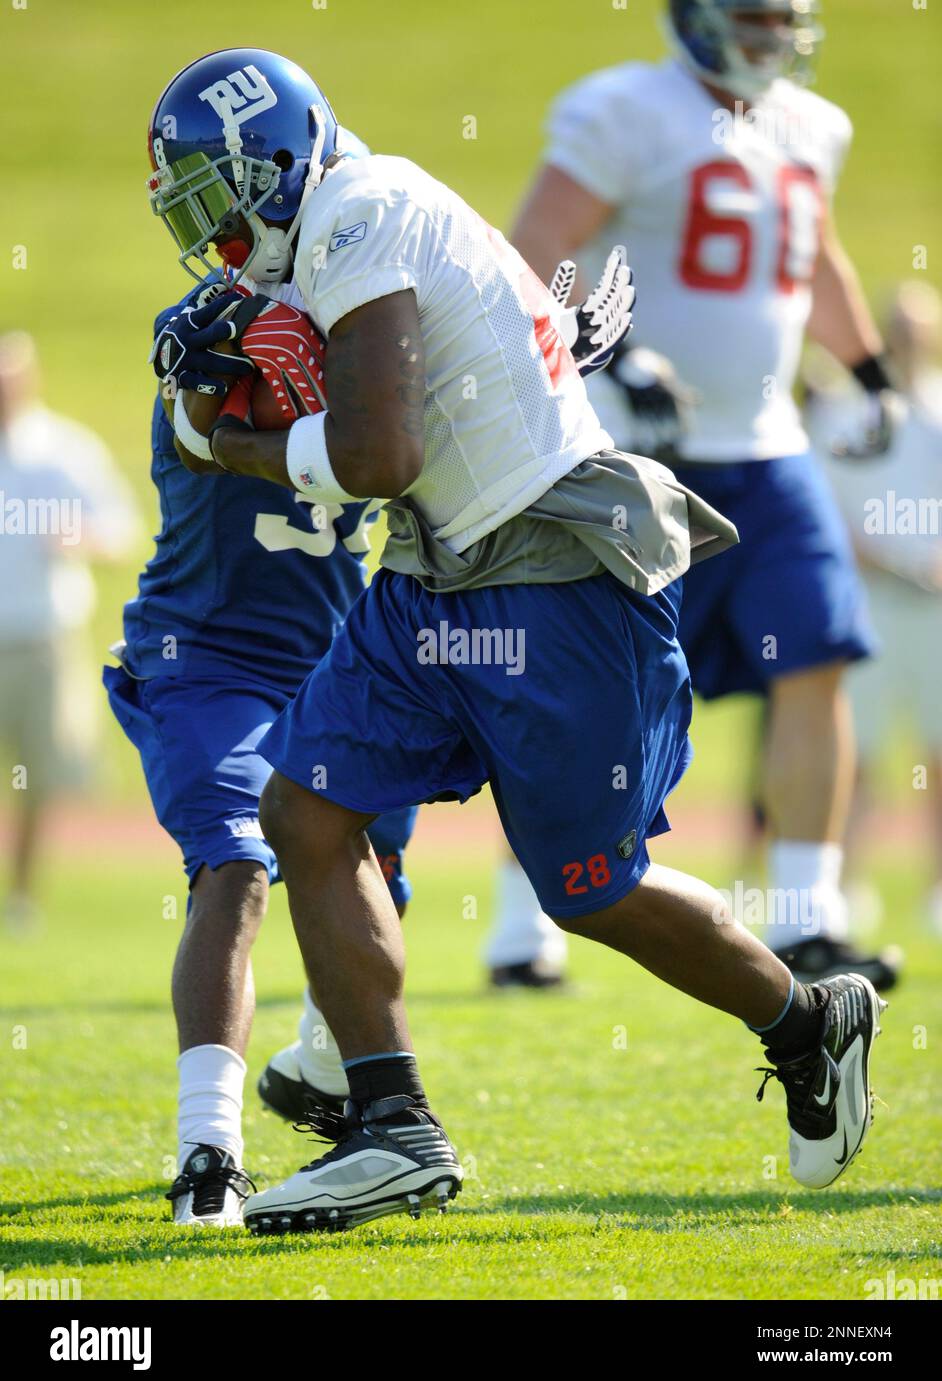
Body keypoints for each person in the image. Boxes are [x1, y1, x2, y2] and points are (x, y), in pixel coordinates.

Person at [147, 47, 887, 1235]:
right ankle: (391, 1124)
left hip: (553, 572)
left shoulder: (362, 206)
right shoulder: (360, 221)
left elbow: (377, 457)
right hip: (438, 567)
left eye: (220, 207)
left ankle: (810, 1019)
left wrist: (230, 442)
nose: (220, 244)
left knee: (592, 888)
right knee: (304, 809)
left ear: (276, 164)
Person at [509, 0, 904, 991]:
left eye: (785, 16)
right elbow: (534, 249)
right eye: (753, 14)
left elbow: (815, 260)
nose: (773, 35)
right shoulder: (627, 110)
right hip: (629, 452)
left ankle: (809, 919)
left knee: (817, 657)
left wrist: (867, 371)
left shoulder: (813, 126)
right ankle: (523, 924)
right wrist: (611, 346)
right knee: (583, 693)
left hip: (769, 452)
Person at [105, 262, 418, 1225]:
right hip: (203, 656)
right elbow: (200, 435)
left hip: (335, 661)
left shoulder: (367, 340)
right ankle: (211, 1148)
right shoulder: (213, 339)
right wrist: (231, 382)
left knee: (376, 863)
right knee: (236, 863)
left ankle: (324, 1072)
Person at [810, 282, 942, 936]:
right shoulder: (845, 411)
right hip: (866, 602)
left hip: (935, 609)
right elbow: (826, 508)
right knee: (855, 753)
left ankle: (937, 891)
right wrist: (892, 563)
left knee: (937, 752)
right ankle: (843, 887)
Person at [0, 331, 138, 933]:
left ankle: (23, 897)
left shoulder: (63, 451)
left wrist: (83, 538)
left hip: (41, 638)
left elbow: (121, 528)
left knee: (41, 774)